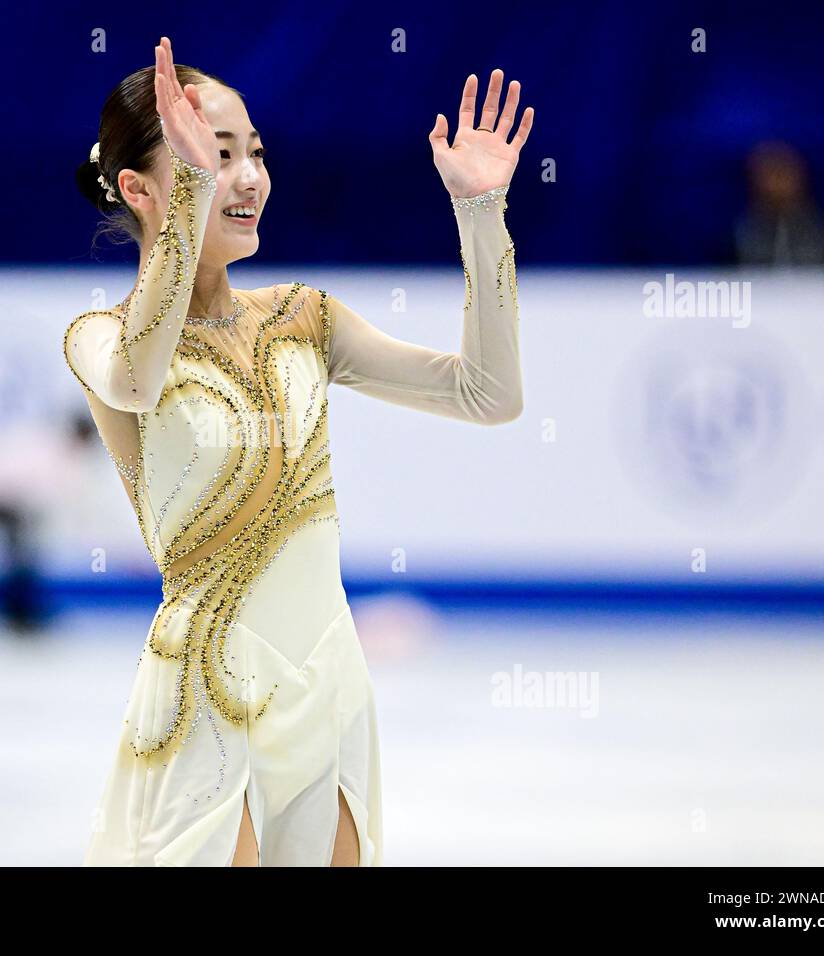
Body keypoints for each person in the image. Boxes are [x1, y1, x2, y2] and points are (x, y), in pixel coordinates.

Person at [64, 37, 531, 866]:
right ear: (138, 189)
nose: (242, 177)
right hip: (205, 695)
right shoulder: (101, 340)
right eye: (209, 156)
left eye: (251, 153)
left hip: (327, 680)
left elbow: (487, 394)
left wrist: (481, 216)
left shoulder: (303, 318)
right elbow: (136, 380)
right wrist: (190, 200)